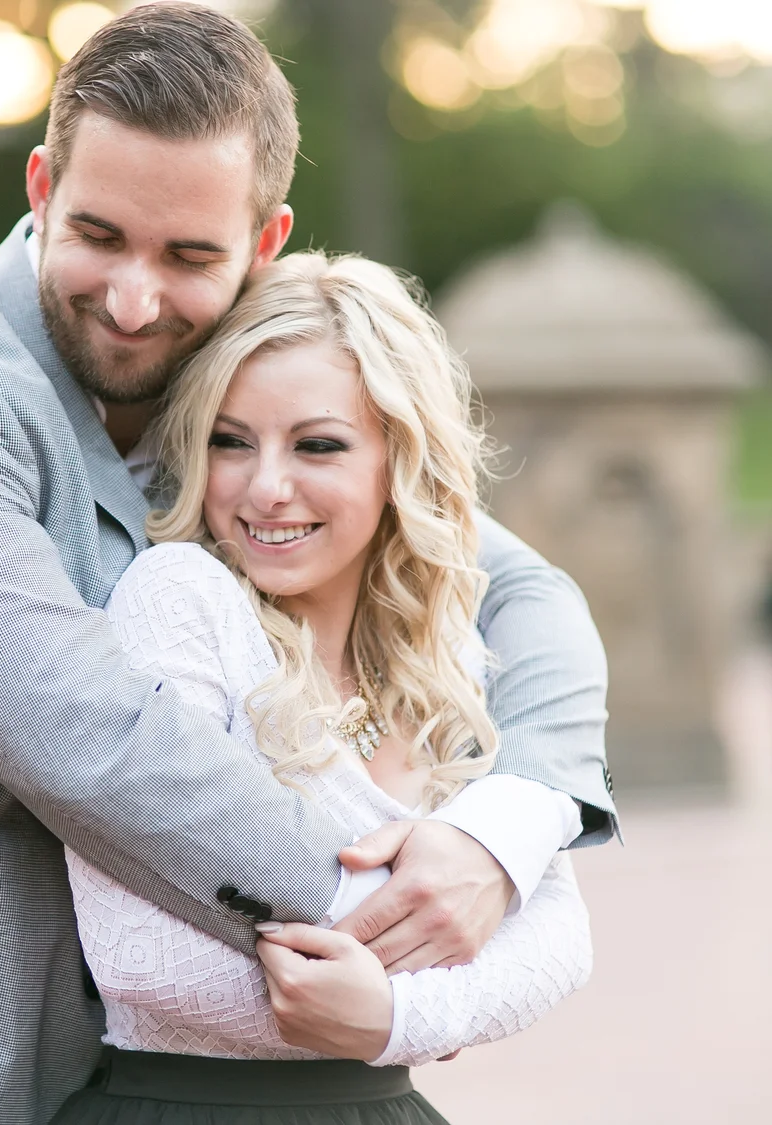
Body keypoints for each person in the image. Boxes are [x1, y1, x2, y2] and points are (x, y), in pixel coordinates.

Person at [0, 6, 615, 1124]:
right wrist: (410, 923)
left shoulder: (226, 403)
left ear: (266, 244)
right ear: (41, 187)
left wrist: (504, 834)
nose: (135, 301)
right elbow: (102, 746)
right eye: (98, 235)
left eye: (190, 256)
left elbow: (523, 591)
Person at [56, 251, 592, 1124]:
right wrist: (416, 988)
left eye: (318, 445)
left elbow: (562, 938)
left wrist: (395, 1017)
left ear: (398, 461)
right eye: (231, 441)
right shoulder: (181, 599)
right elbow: (141, 953)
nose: (266, 487)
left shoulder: (441, 648)